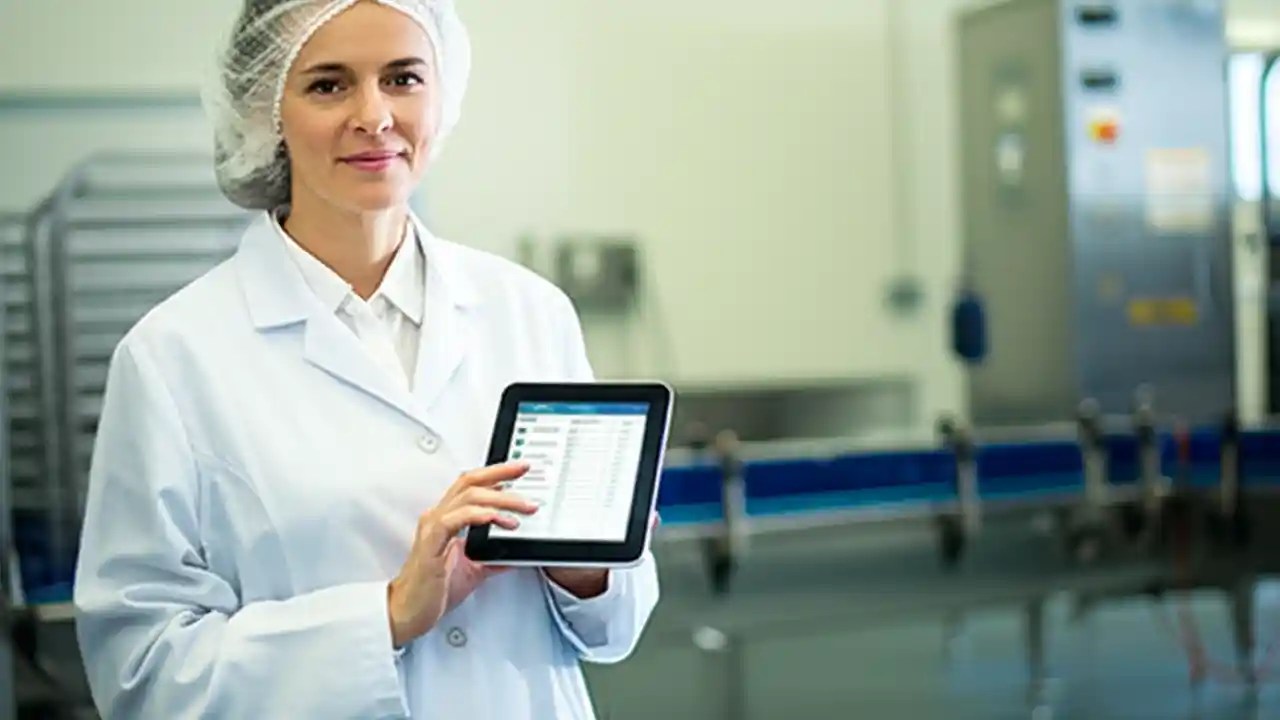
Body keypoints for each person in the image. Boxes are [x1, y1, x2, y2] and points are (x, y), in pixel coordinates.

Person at [71, 1, 660, 718]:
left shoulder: (529, 310)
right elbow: (142, 676)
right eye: (328, 84)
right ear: (265, 111)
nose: (375, 115)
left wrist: (588, 573)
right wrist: (386, 617)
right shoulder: (174, 356)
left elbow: (614, 633)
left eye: (403, 78)